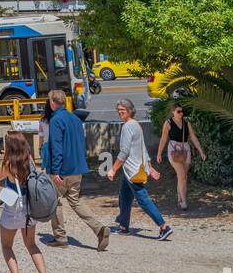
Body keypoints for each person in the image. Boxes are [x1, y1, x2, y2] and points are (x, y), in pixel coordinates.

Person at [43, 89, 110, 251]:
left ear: (53, 102)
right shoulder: (75, 118)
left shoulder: (55, 120)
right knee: (75, 201)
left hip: (62, 170)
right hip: (77, 168)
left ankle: (60, 237)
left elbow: (56, 146)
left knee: (55, 202)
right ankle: (99, 228)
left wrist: (56, 170)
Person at [0, 132, 54, 273]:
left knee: (6, 246)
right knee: (31, 245)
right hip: (30, 209)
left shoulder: (8, 165)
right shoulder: (29, 161)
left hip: (13, 209)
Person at [108, 98, 173, 240]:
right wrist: (149, 166)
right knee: (124, 197)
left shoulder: (127, 127)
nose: (120, 113)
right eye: (118, 111)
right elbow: (142, 147)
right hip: (133, 169)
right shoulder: (136, 125)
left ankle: (163, 227)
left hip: (132, 170)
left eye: (123, 111)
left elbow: (124, 152)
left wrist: (113, 169)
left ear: (130, 111)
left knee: (143, 200)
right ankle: (123, 227)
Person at [156, 102, 206, 211]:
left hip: (185, 150)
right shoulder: (168, 123)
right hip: (174, 150)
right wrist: (159, 153)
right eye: (178, 111)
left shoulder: (186, 123)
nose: (181, 113)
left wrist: (201, 151)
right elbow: (163, 139)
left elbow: (193, 137)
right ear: (173, 112)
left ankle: (179, 199)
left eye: (182, 111)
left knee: (183, 177)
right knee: (182, 175)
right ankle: (184, 201)